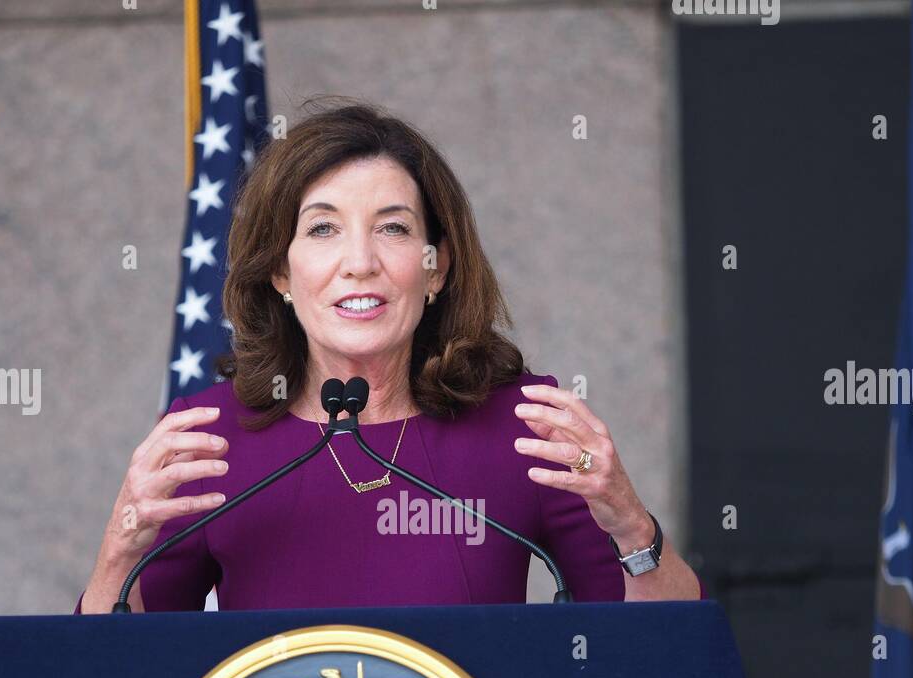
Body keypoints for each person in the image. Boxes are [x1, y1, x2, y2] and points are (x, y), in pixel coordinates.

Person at [78, 100, 701, 613]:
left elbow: (665, 650)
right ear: (279, 272)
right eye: (323, 229)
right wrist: (119, 551)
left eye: (394, 228)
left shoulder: (526, 427)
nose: (360, 263)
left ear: (436, 269)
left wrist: (632, 528)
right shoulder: (208, 441)